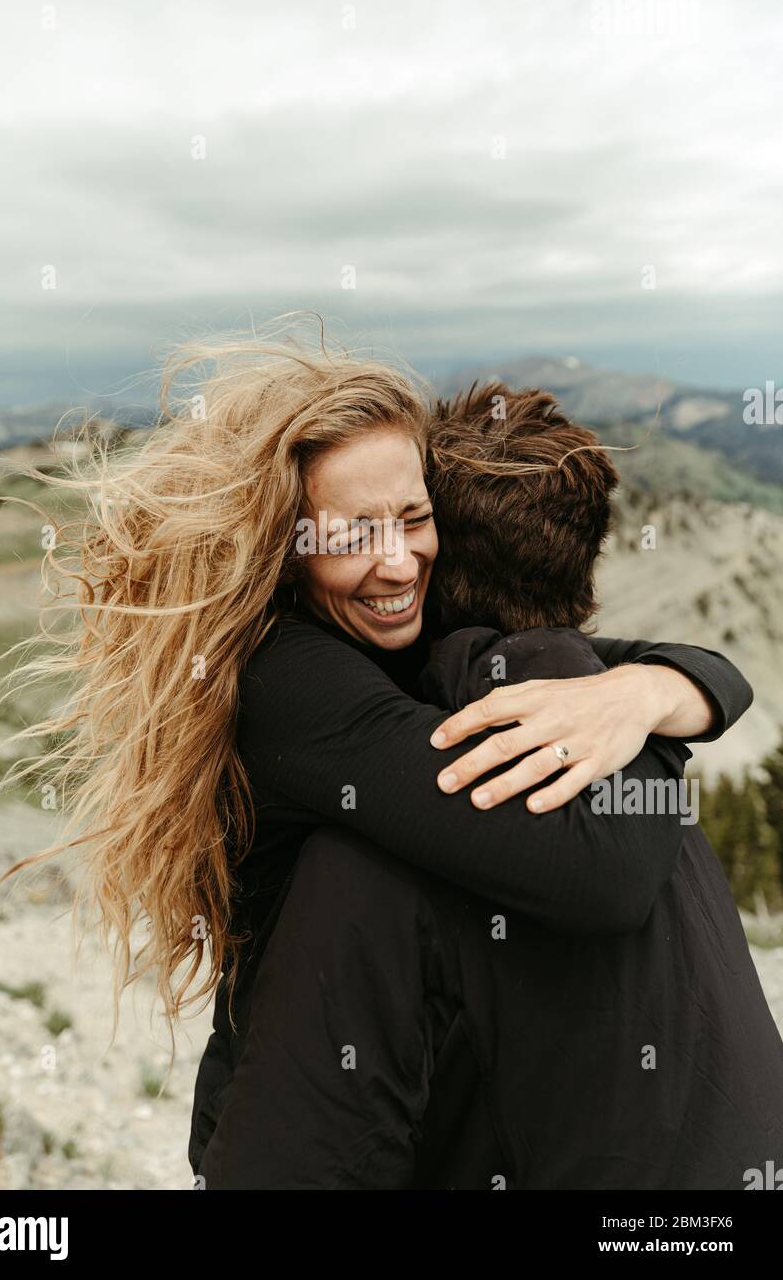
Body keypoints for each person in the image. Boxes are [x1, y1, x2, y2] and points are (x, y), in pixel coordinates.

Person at [181, 342, 752, 1180]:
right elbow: (604, 873)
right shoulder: (287, 682)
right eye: (353, 534)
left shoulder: (395, 647)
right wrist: (652, 740)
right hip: (291, 1129)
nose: (399, 561)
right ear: (284, 546)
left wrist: (640, 696)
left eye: (413, 519)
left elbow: (667, 661)